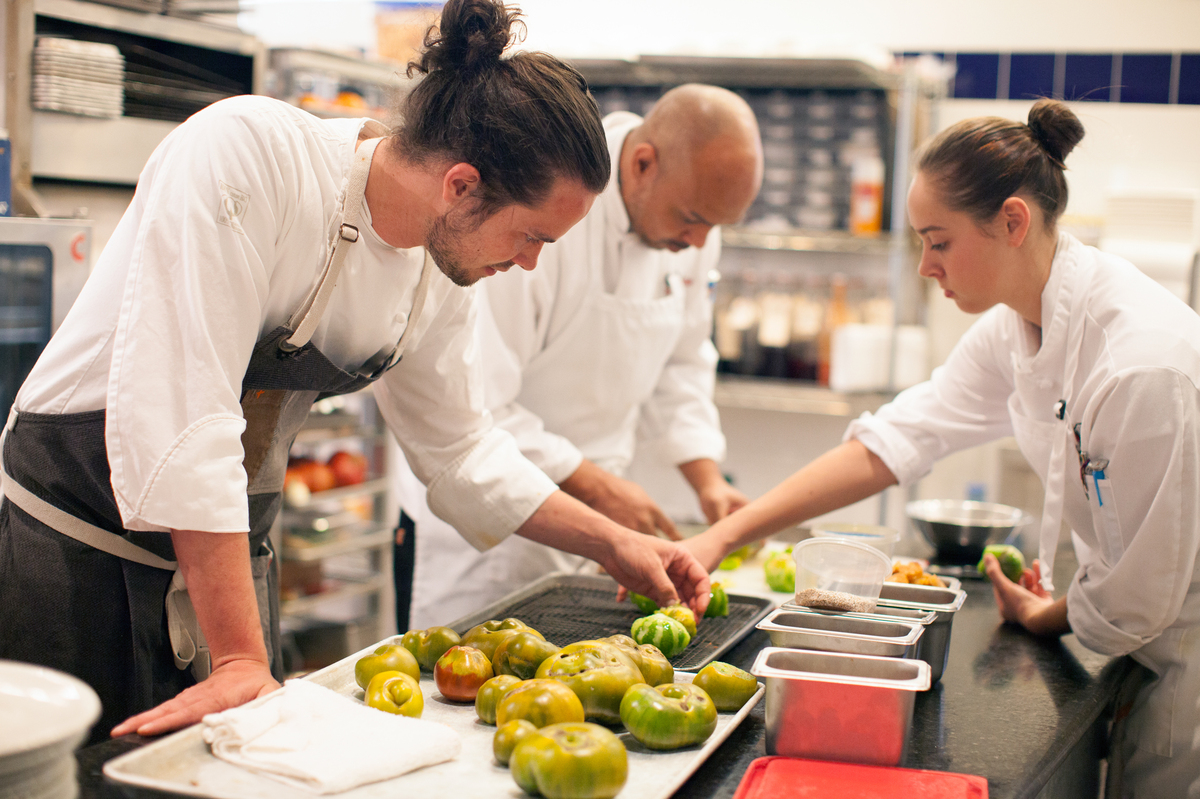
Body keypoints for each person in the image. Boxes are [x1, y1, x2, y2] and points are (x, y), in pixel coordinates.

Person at [0, 0, 710, 745]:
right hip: (78, 557)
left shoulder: (437, 271)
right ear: (461, 186)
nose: (529, 262)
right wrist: (242, 653)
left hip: (225, 568)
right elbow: (186, 414)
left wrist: (612, 542)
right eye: (531, 235)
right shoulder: (249, 155)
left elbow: (462, 451)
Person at [683, 99, 1200, 796]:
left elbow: (1140, 599)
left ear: (1012, 222)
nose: (926, 266)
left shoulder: (1140, 363)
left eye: (939, 240)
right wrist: (726, 533)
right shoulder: (1020, 325)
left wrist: (1046, 613)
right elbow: (896, 439)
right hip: (1146, 645)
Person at [396, 84, 762, 628]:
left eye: (715, 226)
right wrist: (595, 487)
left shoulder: (693, 222)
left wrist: (707, 481)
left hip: (604, 521)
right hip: (490, 524)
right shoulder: (543, 214)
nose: (700, 239)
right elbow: (481, 406)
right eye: (693, 218)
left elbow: (682, 362)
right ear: (642, 163)